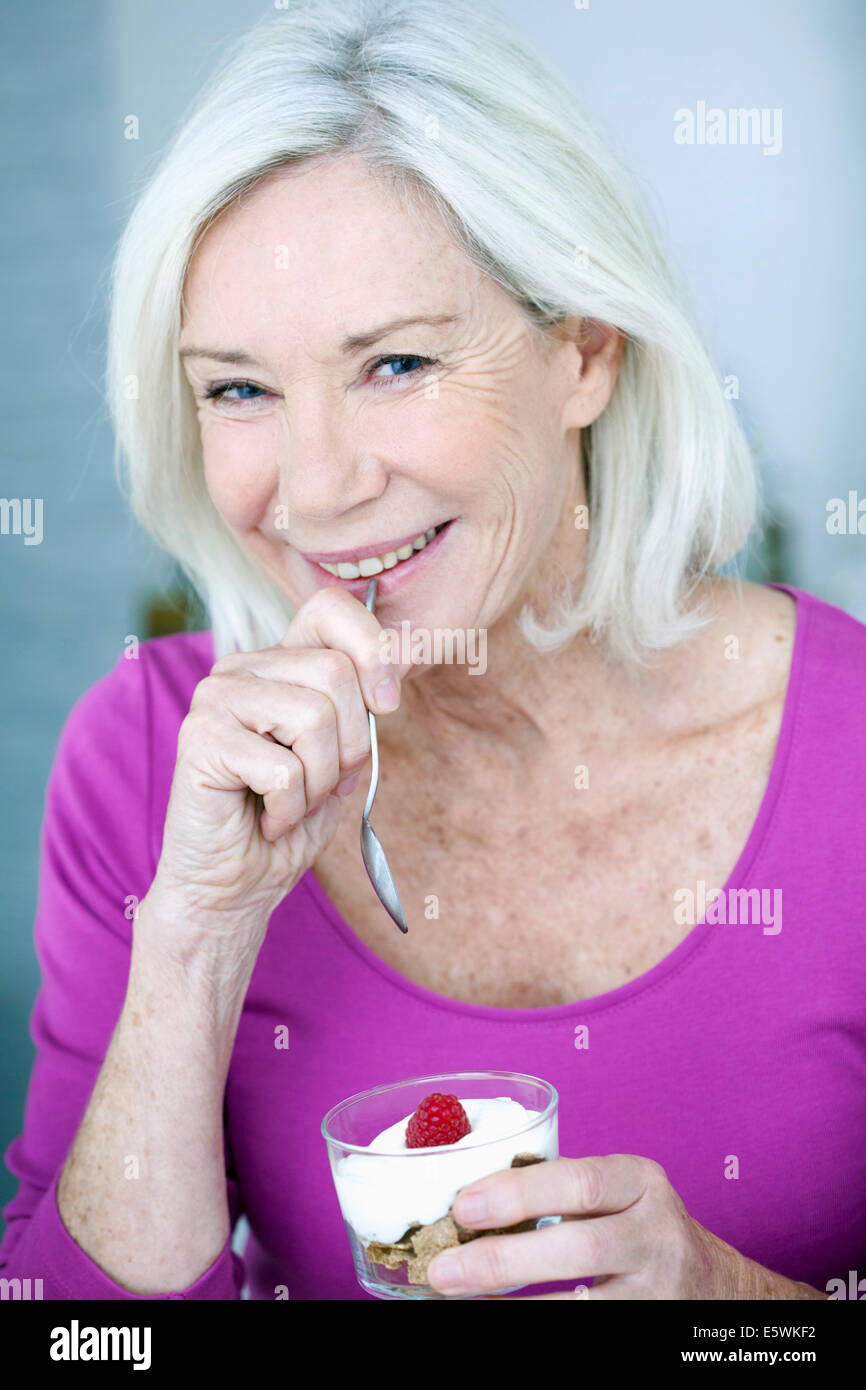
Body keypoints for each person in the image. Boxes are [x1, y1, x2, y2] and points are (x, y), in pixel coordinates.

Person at [2, 0, 863, 1300]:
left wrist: (740, 1318)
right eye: (240, 388)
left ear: (583, 353)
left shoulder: (851, 750)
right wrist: (194, 945)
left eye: (396, 365)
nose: (314, 488)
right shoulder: (150, 757)